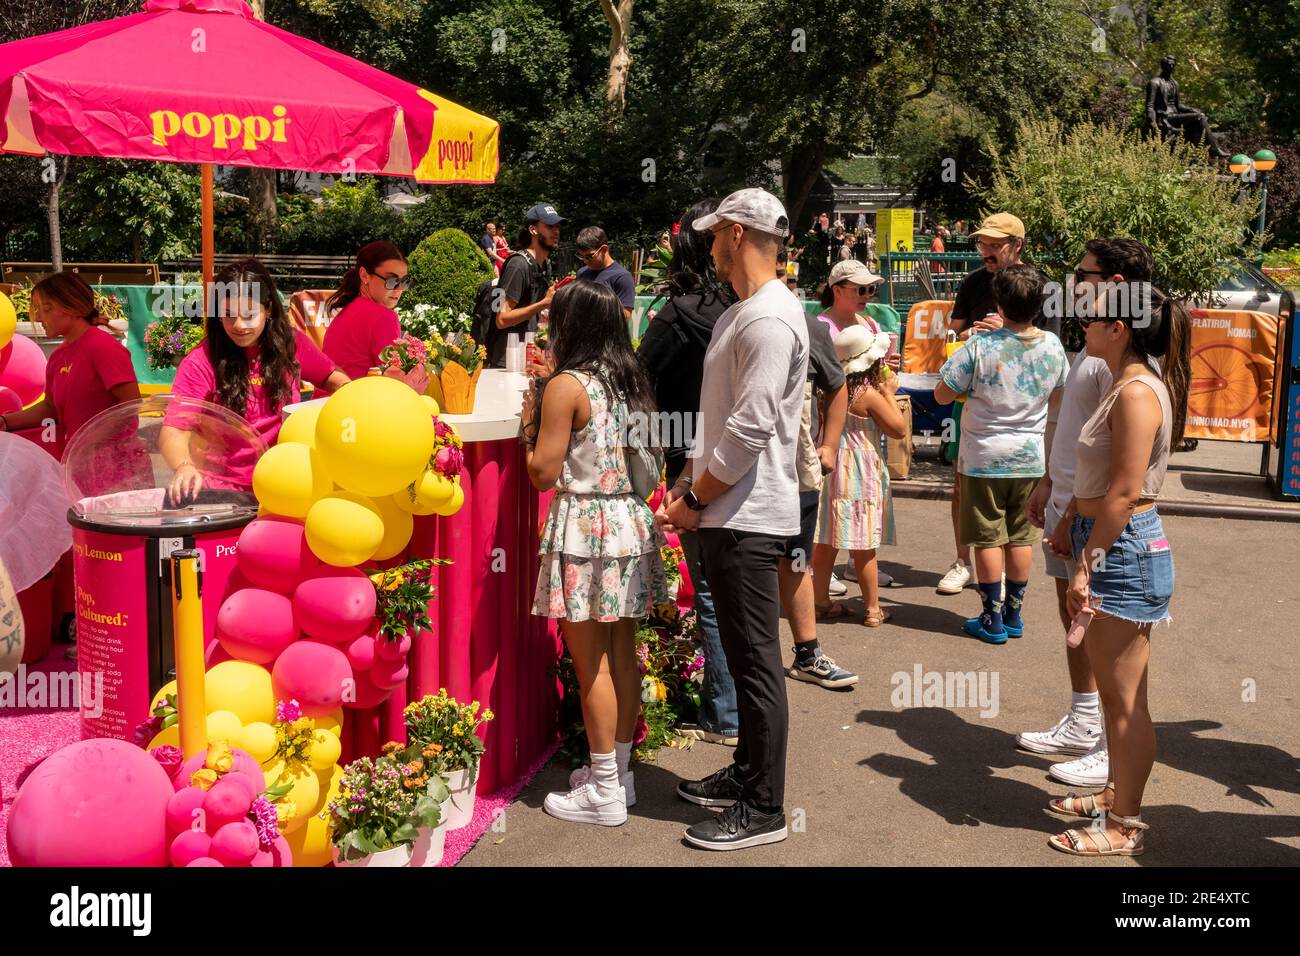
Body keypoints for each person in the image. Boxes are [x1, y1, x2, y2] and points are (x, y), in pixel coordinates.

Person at [658, 187, 808, 851]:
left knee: (754, 661)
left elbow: (750, 427)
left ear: (738, 233)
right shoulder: (742, 314)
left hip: (748, 515)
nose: (708, 243)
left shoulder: (770, 318)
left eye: (715, 233)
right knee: (748, 657)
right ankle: (746, 775)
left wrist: (693, 498)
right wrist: (687, 491)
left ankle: (764, 808)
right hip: (726, 510)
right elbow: (715, 425)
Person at [1045, 248, 1189, 858]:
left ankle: (1124, 824)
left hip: (1122, 552)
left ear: (1120, 328)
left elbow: (1126, 493)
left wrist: (1086, 563)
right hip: (1108, 544)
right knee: (1114, 694)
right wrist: (1068, 523)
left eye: (1095, 314)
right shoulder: (1126, 382)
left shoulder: (1136, 392)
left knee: (1127, 704)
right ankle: (1114, 793)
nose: (1084, 320)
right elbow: (1102, 484)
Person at [522, 280, 669, 827]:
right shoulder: (630, 380)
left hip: (586, 529)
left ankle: (603, 790)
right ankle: (620, 776)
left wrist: (532, 417)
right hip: (628, 523)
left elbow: (542, 472)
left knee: (592, 666)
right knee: (622, 651)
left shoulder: (566, 385)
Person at [1020, 239, 1156, 790]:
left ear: (1117, 284)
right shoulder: (1096, 343)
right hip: (1071, 508)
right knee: (1076, 624)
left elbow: (1121, 479)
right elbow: (1074, 427)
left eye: (1084, 272)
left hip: (1097, 521)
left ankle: (1107, 752)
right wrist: (1051, 484)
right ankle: (1084, 721)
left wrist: (1082, 536)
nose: (1072, 280)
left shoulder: (1124, 364)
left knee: (1101, 631)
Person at [638, 198, 741, 746]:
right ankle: (734, 707)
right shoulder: (752, 304)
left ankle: (725, 712)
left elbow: (637, 378)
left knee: (707, 591)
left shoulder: (681, 311)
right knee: (739, 594)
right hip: (751, 469)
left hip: (693, 466)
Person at [934, 265, 1067, 643]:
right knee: (1020, 537)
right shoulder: (1052, 346)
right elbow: (1058, 395)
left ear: (999, 303)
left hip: (983, 458)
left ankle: (991, 618)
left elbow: (943, 393)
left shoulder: (980, 345)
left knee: (987, 538)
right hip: (1030, 456)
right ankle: (1014, 615)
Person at [164, 257, 349, 502]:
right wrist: (183, 466)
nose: (239, 325)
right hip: (222, 492)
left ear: (269, 309)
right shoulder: (200, 361)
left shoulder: (291, 344)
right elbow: (175, 429)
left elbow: (336, 381)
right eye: (228, 315)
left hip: (285, 483)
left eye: (249, 314)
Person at [936, 212, 1035, 596]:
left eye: (995, 246)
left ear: (1017, 246)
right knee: (962, 486)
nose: (987, 252)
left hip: (1022, 406)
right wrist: (961, 335)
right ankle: (963, 562)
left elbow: (1050, 340)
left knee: (1016, 495)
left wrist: (1010, 330)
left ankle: (1007, 576)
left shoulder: (1036, 284)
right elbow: (952, 328)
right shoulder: (975, 282)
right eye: (983, 245)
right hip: (974, 399)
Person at [811, 327, 905, 627]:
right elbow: (898, 429)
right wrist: (889, 394)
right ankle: (873, 609)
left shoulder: (829, 390)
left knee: (826, 539)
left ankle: (821, 602)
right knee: (864, 545)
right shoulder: (869, 395)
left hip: (832, 467)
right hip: (860, 472)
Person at [784, 311, 855, 687]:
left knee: (796, 562)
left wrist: (829, 445)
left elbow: (837, 385)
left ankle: (807, 654)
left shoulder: (810, 327)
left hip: (798, 474)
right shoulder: (730, 316)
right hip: (740, 478)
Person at [0, 272, 139, 447]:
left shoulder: (102, 346)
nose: (38, 317)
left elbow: (130, 404)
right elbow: (50, 407)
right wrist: (6, 421)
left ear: (73, 307)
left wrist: (90, 442)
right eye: (36, 309)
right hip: (78, 464)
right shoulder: (58, 356)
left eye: (47, 308)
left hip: (117, 465)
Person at [321, 241, 428, 392]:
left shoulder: (349, 310)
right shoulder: (384, 316)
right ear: (364, 275)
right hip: (354, 407)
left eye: (403, 281)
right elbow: (394, 382)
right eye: (391, 281)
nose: (399, 289)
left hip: (326, 405)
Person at [488, 203, 562, 368]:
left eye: (557, 226)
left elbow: (533, 310)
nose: (556, 231)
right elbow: (501, 319)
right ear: (533, 230)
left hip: (528, 357)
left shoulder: (544, 264)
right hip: (507, 362)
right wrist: (543, 303)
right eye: (550, 226)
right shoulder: (518, 265)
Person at [575, 227, 636, 320]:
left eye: (589, 256)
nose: (585, 261)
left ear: (604, 249)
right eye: (581, 256)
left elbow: (626, 315)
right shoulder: (581, 273)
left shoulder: (622, 277)